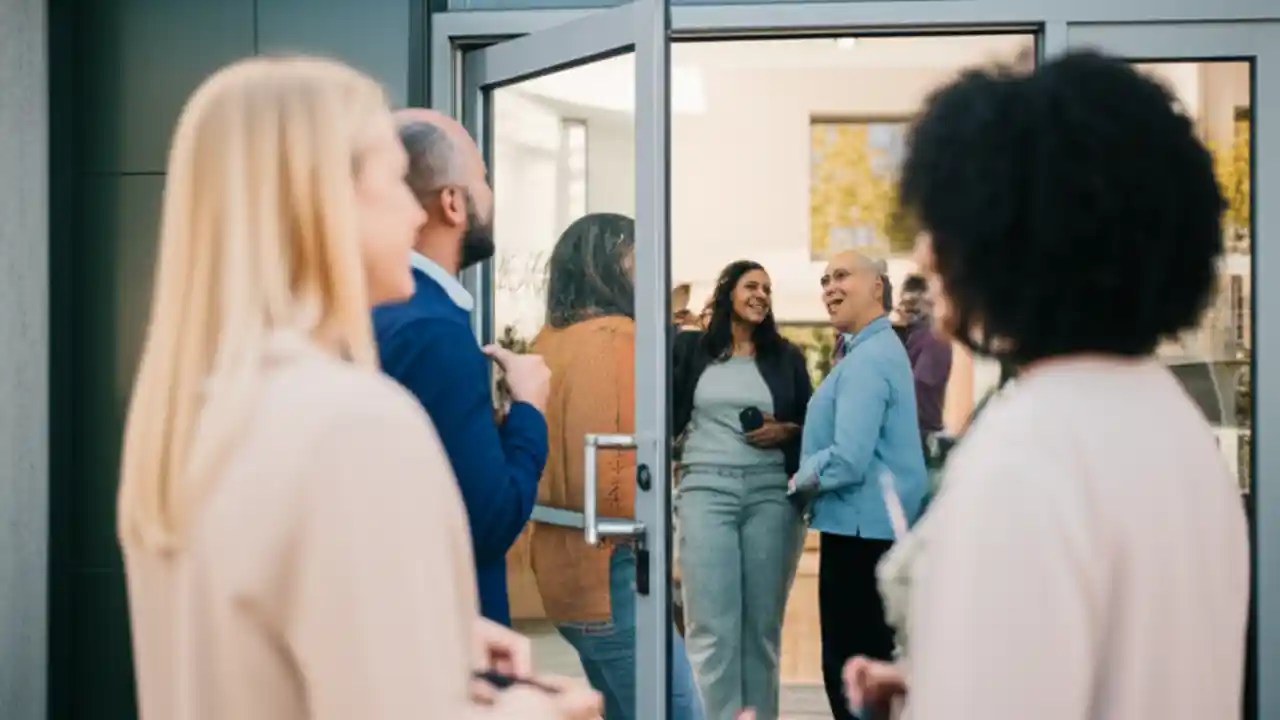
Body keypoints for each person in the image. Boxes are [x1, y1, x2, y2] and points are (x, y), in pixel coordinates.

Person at [117, 56, 599, 719]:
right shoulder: (350, 419)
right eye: (393, 181)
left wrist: (436, 640)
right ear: (325, 204)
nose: (412, 212)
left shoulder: (194, 416)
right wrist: (542, 710)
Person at [844, 51, 1250, 720]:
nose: (924, 253)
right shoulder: (1173, 425)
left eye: (943, 222)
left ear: (1010, 240)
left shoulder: (1029, 452)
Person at [373, 109, 550, 625]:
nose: (491, 196)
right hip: (445, 632)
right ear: (452, 202)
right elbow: (486, 523)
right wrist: (528, 411)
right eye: (484, 179)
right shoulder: (432, 332)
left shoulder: (373, 313)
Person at [531, 213, 704, 720]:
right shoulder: (619, 338)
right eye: (639, 258)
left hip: (562, 571)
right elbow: (619, 469)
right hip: (613, 569)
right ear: (609, 265)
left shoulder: (548, 342)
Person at [672, 260, 812, 720]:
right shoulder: (691, 349)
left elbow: (812, 423)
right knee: (711, 628)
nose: (761, 295)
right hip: (705, 491)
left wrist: (787, 430)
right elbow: (663, 411)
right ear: (728, 291)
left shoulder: (785, 357)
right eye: (752, 286)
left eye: (767, 289)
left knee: (761, 630)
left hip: (770, 496)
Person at [790, 250, 926, 720]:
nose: (830, 287)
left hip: (859, 535)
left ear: (877, 286)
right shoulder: (872, 351)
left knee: (850, 676)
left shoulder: (869, 359)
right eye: (825, 279)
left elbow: (848, 458)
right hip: (869, 531)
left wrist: (800, 479)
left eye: (842, 276)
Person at [891, 274, 952, 449]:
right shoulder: (906, 337)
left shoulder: (933, 340)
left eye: (914, 303)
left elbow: (920, 388)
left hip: (921, 432)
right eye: (906, 304)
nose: (909, 309)